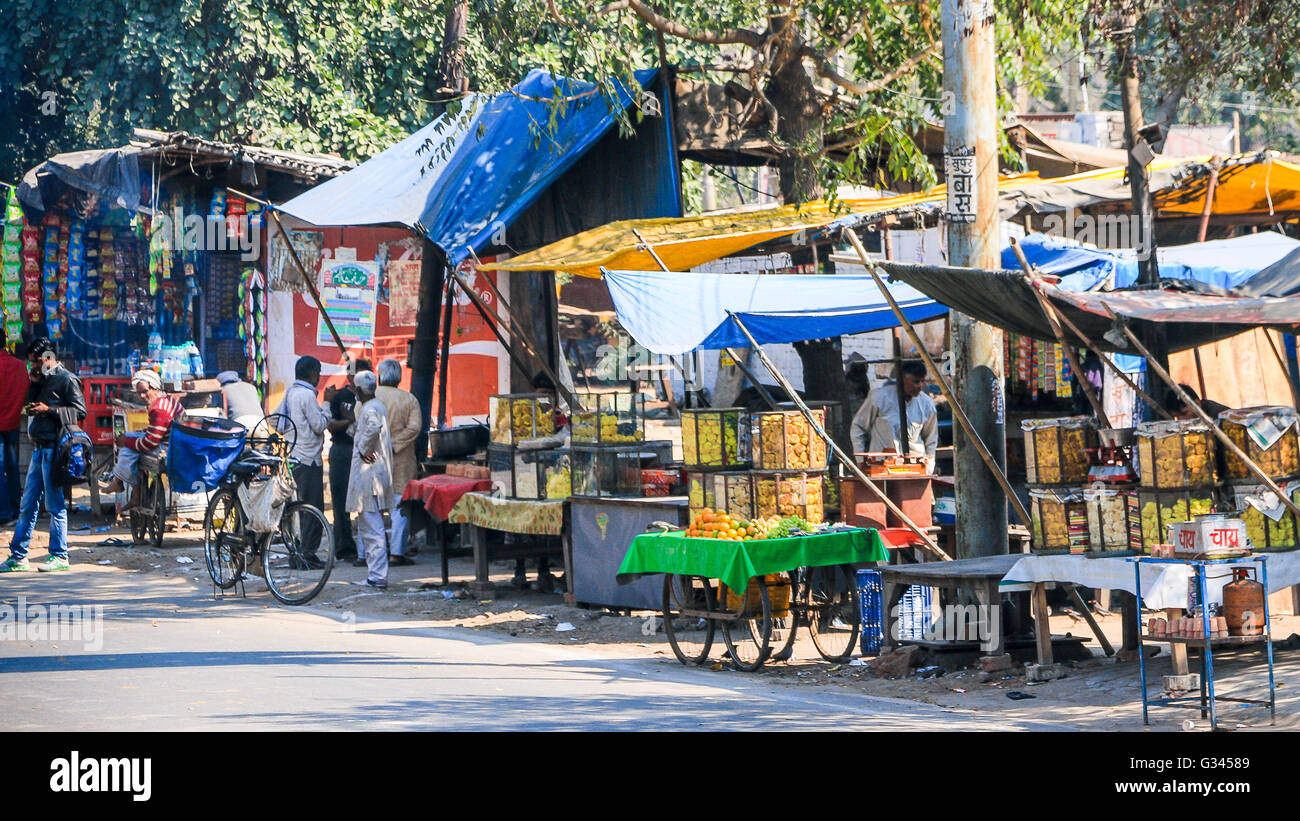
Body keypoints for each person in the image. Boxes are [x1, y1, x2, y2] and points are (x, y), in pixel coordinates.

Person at [1, 338, 86, 572]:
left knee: (55, 504)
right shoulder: (41, 379)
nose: (33, 367)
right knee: (27, 504)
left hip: (54, 449)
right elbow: (30, 402)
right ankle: (18, 556)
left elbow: (80, 412)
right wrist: (34, 384)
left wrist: (50, 410)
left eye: (35, 363)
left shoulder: (67, 379)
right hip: (38, 450)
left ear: (46, 358)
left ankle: (60, 555)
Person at [101, 370, 185, 508]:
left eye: (145, 391)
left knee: (128, 448)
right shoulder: (165, 400)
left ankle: (128, 488)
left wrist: (126, 442)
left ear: (155, 388)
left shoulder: (159, 410)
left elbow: (151, 443)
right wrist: (134, 435)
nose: (142, 396)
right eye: (139, 393)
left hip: (169, 449)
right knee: (129, 436)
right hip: (170, 442)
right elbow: (156, 430)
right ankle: (121, 483)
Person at [347, 370, 393, 590]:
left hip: (370, 474)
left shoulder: (370, 408)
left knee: (371, 527)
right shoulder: (375, 405)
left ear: (357, 390)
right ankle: (375, 575)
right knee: (371, 526)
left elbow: (373, 428)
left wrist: (363, 448)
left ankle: (377, 576)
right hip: (374, 471)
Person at [850, 360, 938, 472]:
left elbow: (931, 439)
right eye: (915, 381)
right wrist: (860, 460)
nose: (920, 386)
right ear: (902, 380)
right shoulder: (879, 398)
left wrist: (929, 468)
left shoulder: (927, 404)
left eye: (922, 381)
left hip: (916, 468)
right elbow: (858, 427)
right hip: (882, 466)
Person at [375, 358, 421, 567]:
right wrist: (395, 444)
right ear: (399, 378)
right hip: (401, 460)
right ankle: (396, 553)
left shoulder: (369, 397)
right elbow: (414, 428)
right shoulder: (409, 399)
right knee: (399, 507)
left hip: (373, 459)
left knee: (372, 507)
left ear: (379, 376)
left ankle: (370, 554)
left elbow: (358, 425)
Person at [327, 358, 370, 563]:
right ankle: (345, 547)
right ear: (351, 376)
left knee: (367, 500)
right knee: (341, 502)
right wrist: (350, 420)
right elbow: (331, 424)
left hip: (363, 450)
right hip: (343, 450)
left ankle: (366, 546)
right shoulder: (341, 396)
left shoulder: (372, 398)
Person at [276, 356, 330, 521]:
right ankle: (308, 547)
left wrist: (291, 434)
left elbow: (275, 419)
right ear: (313, 374)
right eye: (318, 374)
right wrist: (327, 403)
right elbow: (319, 425)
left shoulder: (291, 391)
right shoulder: (306, 395)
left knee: (302, 505)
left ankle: (303, 545)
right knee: (312, 508)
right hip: (308, 459)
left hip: (295, 455)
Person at [0, 331, 28, 526]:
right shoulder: (20, 366)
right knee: (11, 466)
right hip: (12, 423)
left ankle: (3, 513)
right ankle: (15, 509)